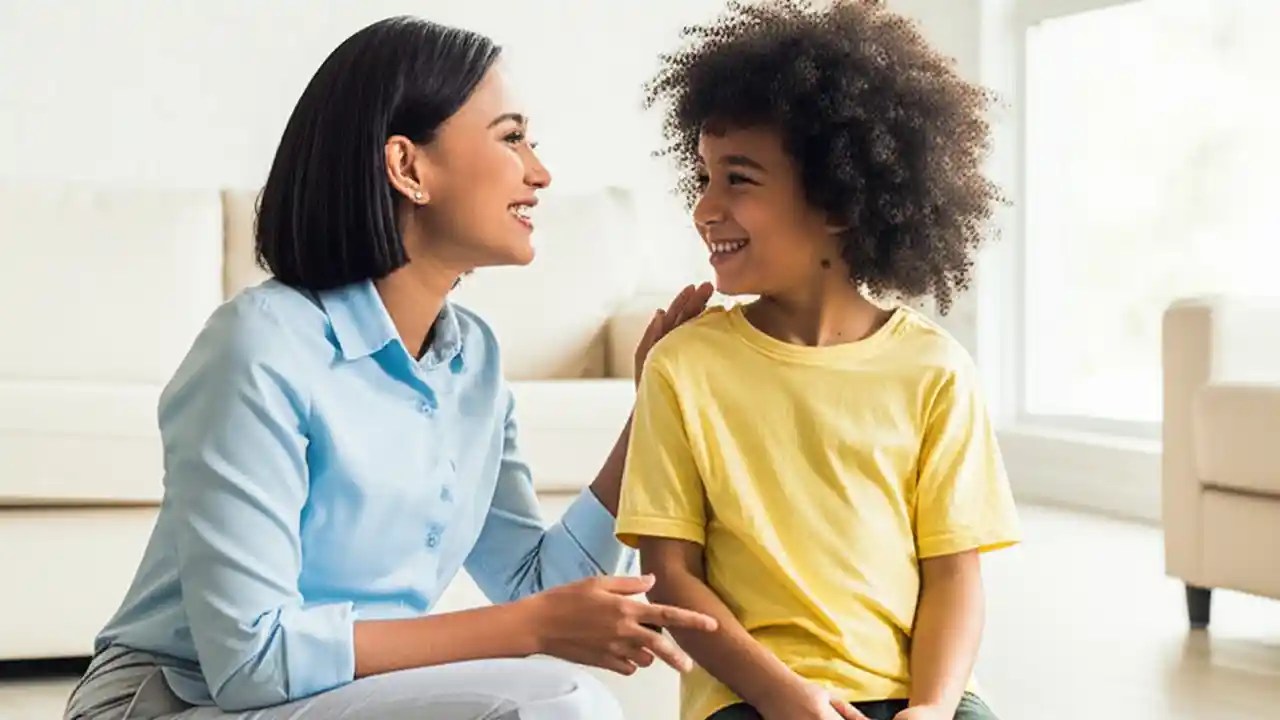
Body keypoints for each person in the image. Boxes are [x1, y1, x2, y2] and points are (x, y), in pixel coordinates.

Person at [64, 15, 717, 720]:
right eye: (510, 137)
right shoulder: (260, 346)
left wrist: (651, 413)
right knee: (557, 707)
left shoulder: (473, 360)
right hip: (170, 700)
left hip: (334, 697)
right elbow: (252, 661)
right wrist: (528, 629)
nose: (539, 170)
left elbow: (540, 584)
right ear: (408, 167)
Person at [615, 2, 1021, 720]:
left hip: (919, 688)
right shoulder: (683, 367)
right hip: (750, 695)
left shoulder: (936, 371)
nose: (705, 208)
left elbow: (955, 573)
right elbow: (672, 574)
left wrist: (931, 705)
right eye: (704, 177)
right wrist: (783, 695)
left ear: (837, 199)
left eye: (738, 179)